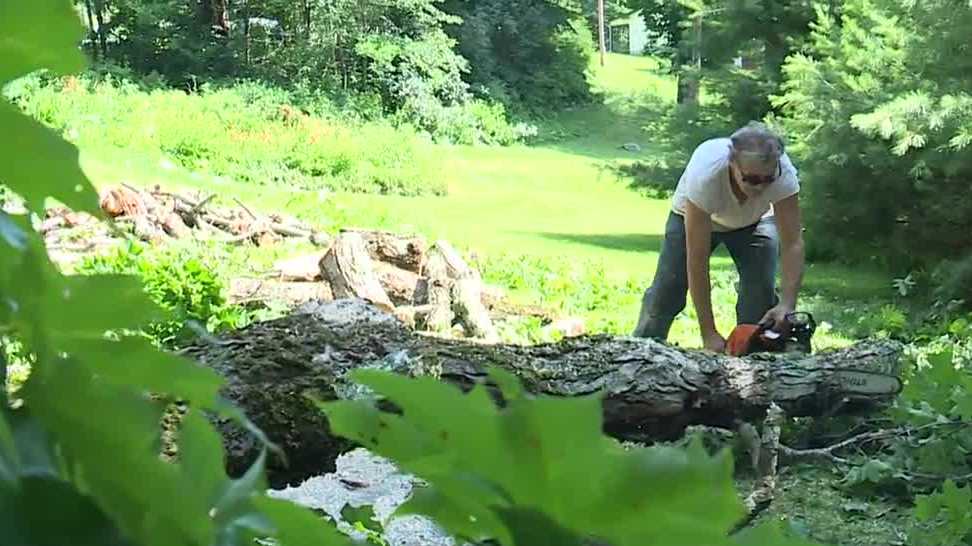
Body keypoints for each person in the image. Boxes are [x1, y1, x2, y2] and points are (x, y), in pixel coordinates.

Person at [632, 122, 805, 352]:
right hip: (693, 216)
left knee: (759, 295)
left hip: (755, 221)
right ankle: (641, 352)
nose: (761, 188)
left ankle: (754, 364)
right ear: (732, 163)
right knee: (667, 291)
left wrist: (787, 304)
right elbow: (697, 260)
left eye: (768, 179)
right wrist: (709, 333)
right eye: (752, 180)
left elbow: (793, 242)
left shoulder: (783, 175)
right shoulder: (707, 177)